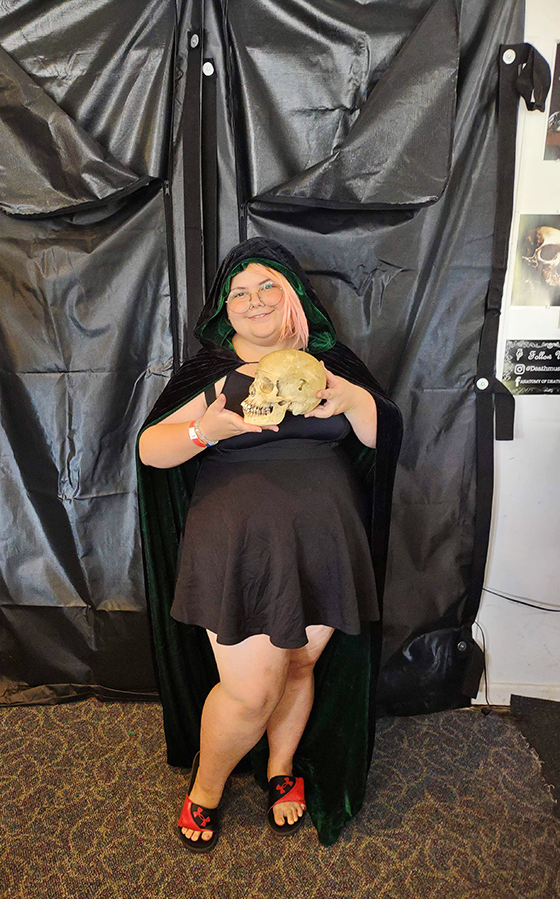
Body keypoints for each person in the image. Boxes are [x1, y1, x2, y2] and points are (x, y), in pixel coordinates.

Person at [136, 238, 402, 850]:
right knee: (251, 689)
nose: (252, 301)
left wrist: (356, 399)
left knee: (300, 662)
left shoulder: (334, 364)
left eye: (267, 287)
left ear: (294, 297)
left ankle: (281, 769)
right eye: (239, 292)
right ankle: (206, 788)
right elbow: (151, 450)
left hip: (325, 540)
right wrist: (207, 429)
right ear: (224, 309)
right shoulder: (213, 372)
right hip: (243, 544)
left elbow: (385, 438)